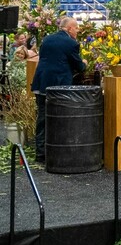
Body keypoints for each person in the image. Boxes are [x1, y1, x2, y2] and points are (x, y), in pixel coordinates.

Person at [31, 17, 86, 162]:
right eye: (76, 28)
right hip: (58, 86)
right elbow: (79, 66)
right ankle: (59, 151)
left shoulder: (47, 39)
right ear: (69, 29)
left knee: (42, 117)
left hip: (41, 83)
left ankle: (40, 153)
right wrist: (84, 63)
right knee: (61, 118)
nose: (78, 30)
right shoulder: (71, 43)